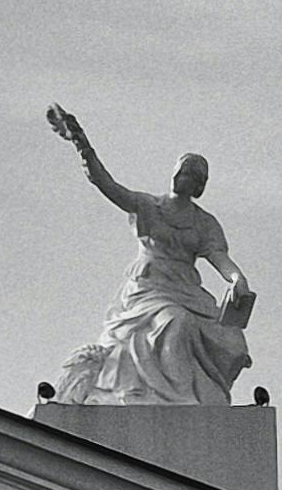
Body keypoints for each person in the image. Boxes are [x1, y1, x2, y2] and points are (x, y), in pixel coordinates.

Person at [44, 107, 256, 407]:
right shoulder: (148, 205)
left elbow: (219, 257)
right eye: (181, 171)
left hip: (185, 288)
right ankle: (175, 397)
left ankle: (181, 397)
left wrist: (237, 279)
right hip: (149, 286)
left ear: (198, 185)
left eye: (191, 175)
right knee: (175, 322)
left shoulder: (204, 222)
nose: (183, 177)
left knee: (196, 328)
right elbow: (107, 185)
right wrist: (82, 145)